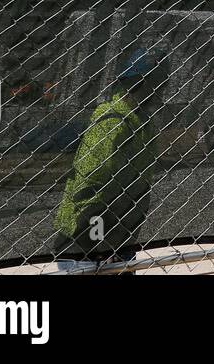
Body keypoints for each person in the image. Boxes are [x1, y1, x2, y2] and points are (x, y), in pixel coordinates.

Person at [53, 48, 165, 272]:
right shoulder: (112, 121)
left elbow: (140, 186)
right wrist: (100, 242)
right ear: (140, 84)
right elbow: (91, 186)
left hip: (119, 237)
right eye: (157, 84)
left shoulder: (143, 122)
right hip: (87, 242)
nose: (160, 91)